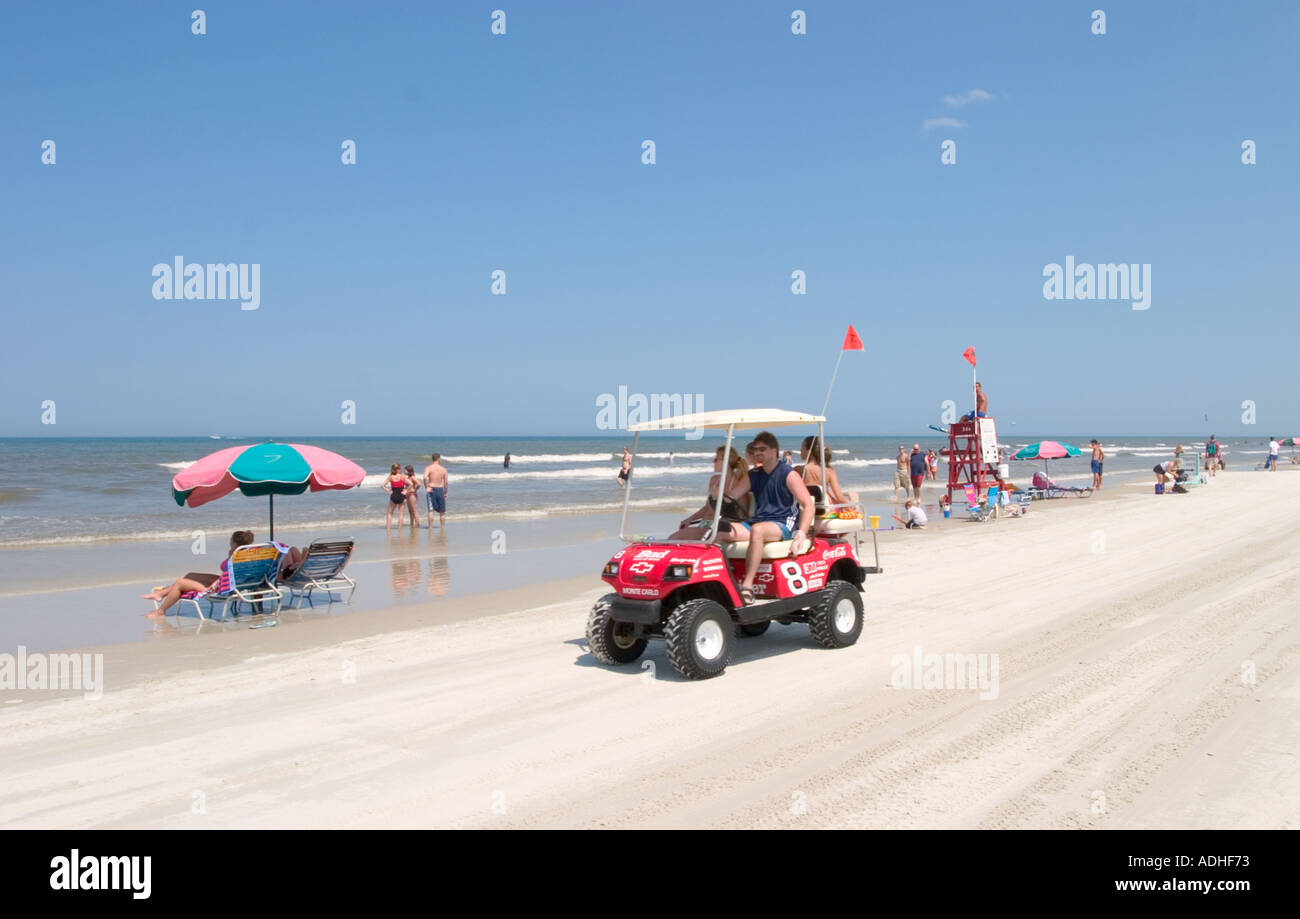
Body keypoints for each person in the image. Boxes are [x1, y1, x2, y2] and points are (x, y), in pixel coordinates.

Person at [717, 431, 815, 606]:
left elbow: (808, 504)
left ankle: (747, 586)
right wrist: (719, 492)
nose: (757, 453)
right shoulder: (754, 474)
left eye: (762, 449)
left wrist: (801, 534)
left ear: (774, 450)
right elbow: (732, 496)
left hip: (784, 523)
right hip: (758, 522)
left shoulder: (788, 473)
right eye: (755, 449)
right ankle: (722, 581)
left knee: (758, 530)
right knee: (720, 531)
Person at [141, 530, 254, 617]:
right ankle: (161, 594)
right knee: (191, 576)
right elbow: (232, 573)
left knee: (179, 583)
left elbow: (230, 572)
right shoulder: (251, 553)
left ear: (234, 542)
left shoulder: (235, 555)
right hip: (232, 582)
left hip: (225, 587)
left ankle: (160, 611)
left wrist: (216, 583)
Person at [671, 446, 750, 539]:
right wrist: (690, 519)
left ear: (726, 461)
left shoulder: (738, 485)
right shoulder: (714, 480)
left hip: (717, 527)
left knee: (675, 537)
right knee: (675, 538)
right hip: (704, 524)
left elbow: (740, 514)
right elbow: (707, 508)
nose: (713, 462)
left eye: (716, 459)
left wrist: (720, 499)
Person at [797, 436, 856, 508]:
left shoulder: (798, 470)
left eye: (802, 447)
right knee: (853, 495)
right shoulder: (829, 471)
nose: (800, 450)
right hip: (825, 509)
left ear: (809, 451)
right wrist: (852, 504)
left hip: (806, 508)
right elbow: (840, 498)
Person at [424, 453, 449, 528]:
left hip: (431, 488)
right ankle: (442, 527)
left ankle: (430, 527)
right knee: (442, 511)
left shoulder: (428, 468)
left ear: (432, 459)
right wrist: (445, 492)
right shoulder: (443, 469)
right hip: (440, 489)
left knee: (431, 510)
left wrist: (426, 487)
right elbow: (446, 482)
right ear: (438, 459)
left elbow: (425, 478)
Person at [383, 463, 407, 530]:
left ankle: (388, 528)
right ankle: (399, 528)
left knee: (390, 513)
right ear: (398, 469)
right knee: (401, 513)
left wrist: (388, 490)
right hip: (402, 494)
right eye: (400, 468)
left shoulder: (390, 477)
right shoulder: (402, 476)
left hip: (394, 494)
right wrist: (406, 490)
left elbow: (382, 485)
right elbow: (410, 484)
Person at [404, 465, 421, 530]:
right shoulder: (408, 477)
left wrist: (415, 490)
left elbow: (419, 484)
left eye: (405, 470)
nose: (404, 471)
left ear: (409, 471)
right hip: (408, 495)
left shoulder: (412, 477)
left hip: (412, 495)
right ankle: (411, 523)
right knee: (410, 511)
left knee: (414, 510)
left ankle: (417, 524)